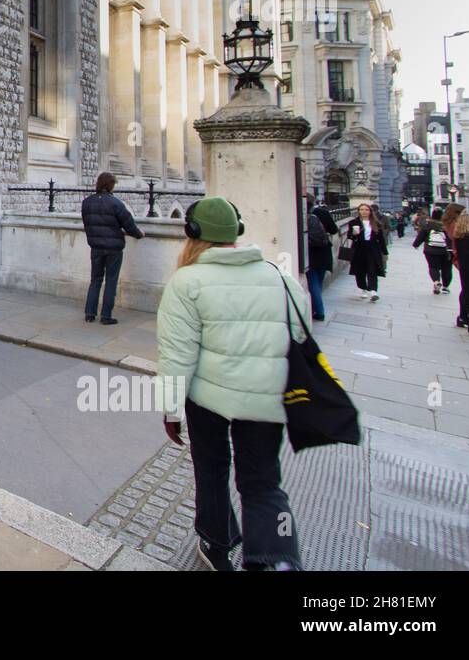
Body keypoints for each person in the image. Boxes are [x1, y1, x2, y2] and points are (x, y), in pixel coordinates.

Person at [156, 196, 306, 572]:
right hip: (267, 399)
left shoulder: (187, 281)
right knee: (263, 483)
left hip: (208, 400)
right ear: (236, 232)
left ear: (192, 234)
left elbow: (178, 354)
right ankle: (276, 561)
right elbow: (301, 336)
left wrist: (171, 408)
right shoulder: (279, 276)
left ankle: (215, 544)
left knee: (212, 470)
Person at [80, 172, 145, 326]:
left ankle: (90, 314)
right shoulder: (116, 203)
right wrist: (139, 234)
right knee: (111, 280)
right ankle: (106, 316)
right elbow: (128, 224)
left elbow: (87, 224)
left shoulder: (87, 202)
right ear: (110, 185)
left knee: (95, 280)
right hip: (113, 248)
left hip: (96, 247)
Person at [341, 203, 388, 301]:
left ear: (370, 211)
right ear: (358, 211)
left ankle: (374, 291)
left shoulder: (376, 223)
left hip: (372, 249)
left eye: (366, 210)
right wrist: (354, 234)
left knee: (372, 270)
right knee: (360, 271)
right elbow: (350, 237)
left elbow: (381, 239)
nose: (364, 212)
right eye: (361, 209)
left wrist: (385, 252)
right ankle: (363, 288)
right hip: (359, 249)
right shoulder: (354, 222)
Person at [304, 194, 338, 322]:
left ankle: (319, 311)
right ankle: (315, 308)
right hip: (324, 251)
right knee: (318, 281)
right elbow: (334, 230)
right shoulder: (323, 213)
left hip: (309, 251)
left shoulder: (298, 212)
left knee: (313, 283)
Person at [413, 207, 453, 295]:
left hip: (431, 250)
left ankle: (436, 281)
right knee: (447, 269)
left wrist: (416, 244)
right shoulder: (446, 226)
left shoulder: (428, 225)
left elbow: (421, 236)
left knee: (433, 267)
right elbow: (451, 237)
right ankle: (445, 287)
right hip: (446, 251)